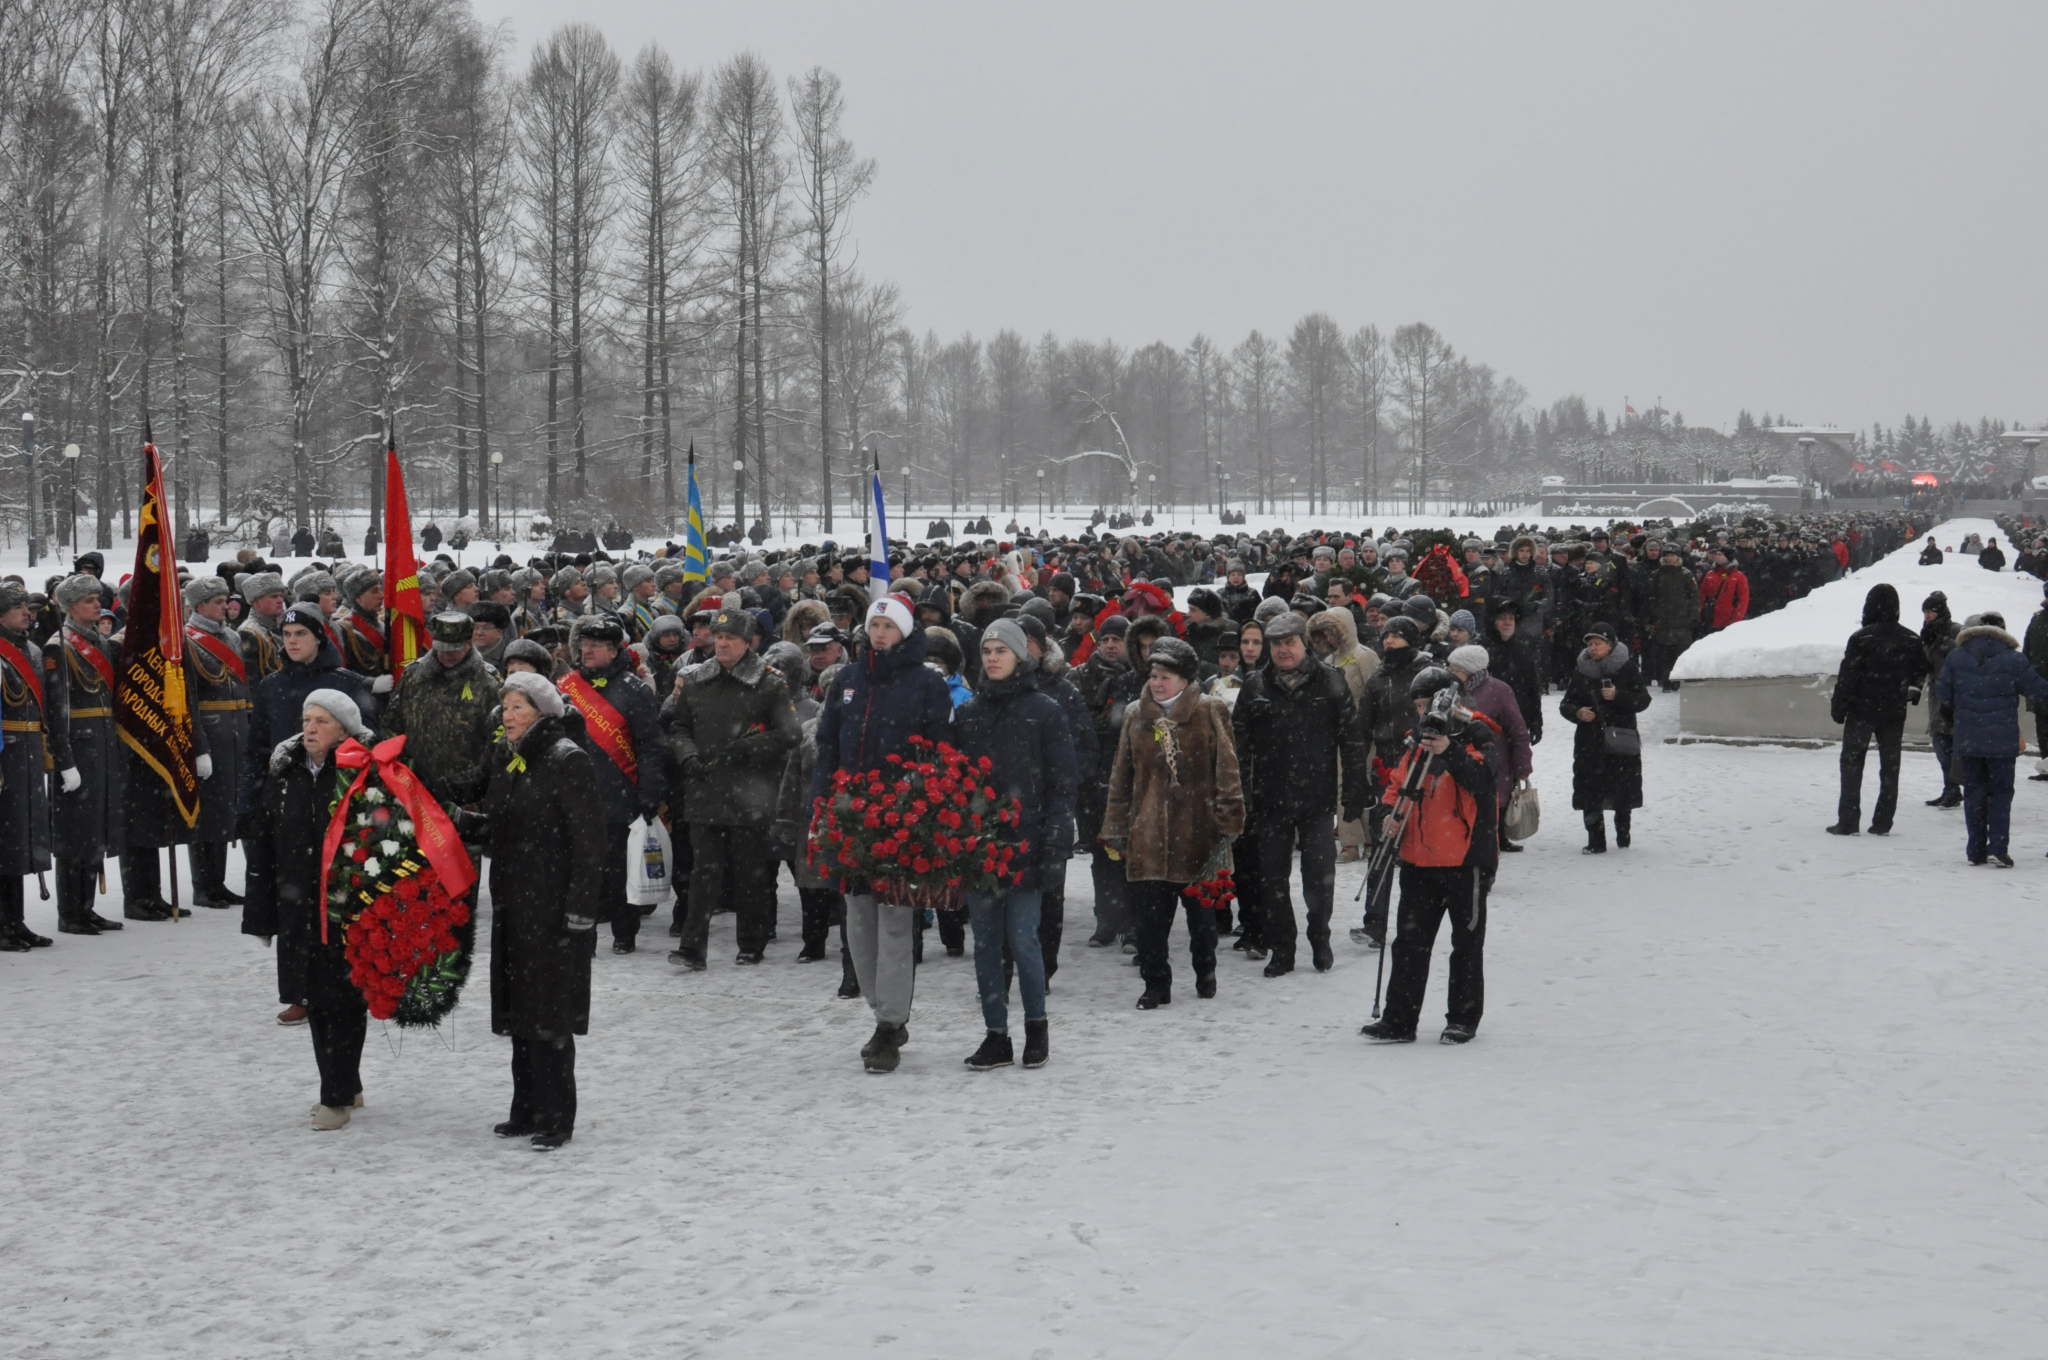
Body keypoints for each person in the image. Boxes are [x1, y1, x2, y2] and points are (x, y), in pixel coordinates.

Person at [458, 673, 604, 1149]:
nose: (508, 715)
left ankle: (557, 1116)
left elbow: (588, 843)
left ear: (542, 712)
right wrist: (460, 823)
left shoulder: (567, 759)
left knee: (552, 1015)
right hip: (514, 903)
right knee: (521, 1011)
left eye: (518, 707)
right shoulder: (508, 757)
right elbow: (503, 828)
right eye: (505, 707)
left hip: (555, 907)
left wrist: (581, 909)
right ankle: (525, 1108)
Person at [810, 596, 955, 1074]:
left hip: (903, 817)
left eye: (888, 625)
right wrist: (824, 799)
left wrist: (922, 806)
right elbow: (828, 742)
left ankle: (889, 1024)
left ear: (906, 631)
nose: (878, 632)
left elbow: (939, 752)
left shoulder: (926, 683)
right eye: (874, 623)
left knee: (895, 920)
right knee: (856, 916)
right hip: (851, 815)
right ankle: (881, 1008)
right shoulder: (849, 680)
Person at [242, 691, 374, 1129]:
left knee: (346, 999)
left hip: (348, 908)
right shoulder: (286, 772)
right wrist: (261, 914)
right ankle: (343, 1086)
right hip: (299, 907)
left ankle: (336, 1095)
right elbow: (262, 846)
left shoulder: (364, 773)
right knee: (316, 999)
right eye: (306, 719)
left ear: (344, 729)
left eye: (322, 721)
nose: (310, 729)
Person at [951, 619, 1077, 1070]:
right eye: (986, 650)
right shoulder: (967, 714)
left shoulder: (1045, 710)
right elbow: (956, 784)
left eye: (1001, 650)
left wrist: (1056, 846)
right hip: (981, 846)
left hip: (1028, 840)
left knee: (1024, 939)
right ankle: (995, 1034)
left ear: (1021, 656)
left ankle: (1036, 1028)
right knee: (985, 943)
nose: (991, 657)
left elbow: (1063, 785)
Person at [1359, 667, 1501, 1045]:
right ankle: (1399, 1019)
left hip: (1466, 860)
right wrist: (1388, 815)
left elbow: (1485, 781)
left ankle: (1463, 1019)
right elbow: (1397, 784)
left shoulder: (1477, 731)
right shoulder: (1415, 740)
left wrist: (1450, 751)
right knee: (1408, 944)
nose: (1423, 713)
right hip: (1418, 858)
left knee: (1466, 945)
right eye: (1418, 706)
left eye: (1427, 704)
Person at [1100, 636, 1244, 1008]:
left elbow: (1227, 769)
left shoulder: (1209, 710)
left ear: (1185, 680)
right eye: (1154, 674)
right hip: (1146, 834)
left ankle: (1205, 968)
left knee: (1202, 920)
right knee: (1149, 921)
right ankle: (1155, 983)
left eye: (1166, 675)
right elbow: (1122, 775)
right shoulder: (1136, 713)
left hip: (1198, 833)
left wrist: (1228, 820)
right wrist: (1116, 826)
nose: (1157, 682)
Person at [1230, 610, 1369, 976]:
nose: (1283, 651)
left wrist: (1354, 790)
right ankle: (1283, 949)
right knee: (1272, 880)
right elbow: (1238, 748)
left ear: (1303, 644)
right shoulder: (1256, 686)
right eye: (1276, 645)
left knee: (1319, 879)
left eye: (1289, 643)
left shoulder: (1331, 682)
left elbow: (1352, 742)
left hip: (1316, 799)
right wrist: (1242, 797)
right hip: (1270, 799)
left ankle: (1319, 940)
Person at [663, 607, 800, 968]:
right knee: (702, 875)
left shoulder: (770, 682)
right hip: (705, 791)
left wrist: (749, 748)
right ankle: (693, 948)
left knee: (750, 874)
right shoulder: (695, 680)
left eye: (730, 638)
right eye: (718, 636)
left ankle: (752, 943)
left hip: (750, 794)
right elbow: (678, 728)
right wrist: (688, 756)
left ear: (748, 643)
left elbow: (790, 733)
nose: (721, 643)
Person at [557, 614, 666, 954]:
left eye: (595, 646)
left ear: (613, 649)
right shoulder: (566, 686)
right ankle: (581, 932)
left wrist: (649, 793)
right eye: (584, 645)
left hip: (619, 790)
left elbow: (650, 745)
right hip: (575, 792)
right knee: (580, 868)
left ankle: (624, 932)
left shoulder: (634, 690)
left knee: (620, 869)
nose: (586, 651)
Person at [1935, 611, 2048, 866]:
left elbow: (1944, 692)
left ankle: (1975, 849)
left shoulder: (1956, 657)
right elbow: (2038, 689)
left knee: (1974, 792)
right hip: (2002, 742)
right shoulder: (2013, 659)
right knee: (2001, 794)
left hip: (1968, 740)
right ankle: (1998, 846)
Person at [48, 574, 125, 934]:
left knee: (95, 828)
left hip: (103, 745)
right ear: (71, 606)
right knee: (74, 833)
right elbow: (56, 709)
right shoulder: (59, 646)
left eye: (98, 598)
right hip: (78, 748)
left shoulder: (100, 642)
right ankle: (70, 912)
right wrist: (64, 761)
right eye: (90, 600)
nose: (98, 605)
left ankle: (87, 905)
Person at [1826, 584, 1927, 836]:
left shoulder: (1861, 638)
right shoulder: (1911, 638)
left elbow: (1847, 676)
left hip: (1862, 708)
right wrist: (1910, 693)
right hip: (1893, 709)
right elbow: (1919, 673)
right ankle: (1883, 820)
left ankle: (1848, 820)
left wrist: (1840, 707)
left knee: (1852, 762)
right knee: (1890, 765)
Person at [379, 612, 500, 806]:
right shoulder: (414, 676)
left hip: (466, 796)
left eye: (454, 650)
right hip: (414, 789)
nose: (446, 655)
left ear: (469, 644)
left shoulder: (488, 683)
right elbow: (392, 726)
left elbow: (497, 741)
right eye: (441, 649)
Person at [183, 576, 250, 910]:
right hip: (210, 731)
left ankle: (219, 882)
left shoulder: (232, 637)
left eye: (226, 601)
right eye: (220, 602)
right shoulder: (187, 640)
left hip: (236, 730)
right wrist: (199, 746)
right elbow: (188, 699)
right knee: (206, 812)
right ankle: (203, 885)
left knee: (226, 810)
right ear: (200, 606)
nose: (227, 606)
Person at [0, 583, 59, 949]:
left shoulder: (33, 650)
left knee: (22, 839)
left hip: (29, 751)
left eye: (27, 605)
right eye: (17, 607)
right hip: (5, 754)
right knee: (4, 841)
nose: (27, 612)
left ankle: (15, 920)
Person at [1560, 623, 1650, 853]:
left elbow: (1643, 700)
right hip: (1589, 743)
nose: (1593, 648)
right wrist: (1577, 713)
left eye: (1598, 643)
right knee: (1590, 791)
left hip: (1621, 740)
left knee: (1622, 790)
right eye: (1590, 644)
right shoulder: (1581, 671)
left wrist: (1618, 696)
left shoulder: (1627, 669)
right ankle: (1595, 841)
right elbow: (1566, 704)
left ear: (1610, 645)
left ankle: (1623, 836)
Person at [1447, 644, 1532, 855]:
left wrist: (1522, 765)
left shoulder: (1499, 690)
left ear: (1469, 670)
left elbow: (1518, 730)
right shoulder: (1449, 690)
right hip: (1459, 755)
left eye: (1455, 669)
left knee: (1495, 800)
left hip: (1495, 758)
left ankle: (1498, 837)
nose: (1450, 672)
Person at [1921, 591, 1964, 807]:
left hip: (1954, 696)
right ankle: (1951, 788)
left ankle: (1955, 788)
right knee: (1939, 742)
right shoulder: (1926, 633)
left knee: (1953, 744)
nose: (1928, 615)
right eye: (1926, 611)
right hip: (1936, 693)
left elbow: (1966, 657)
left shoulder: (1955, 631)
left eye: (1932, 611)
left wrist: (1947, 644)